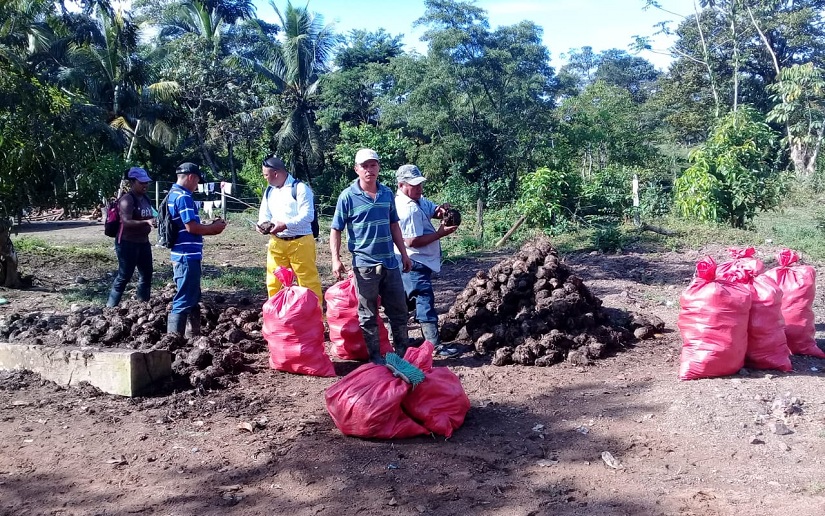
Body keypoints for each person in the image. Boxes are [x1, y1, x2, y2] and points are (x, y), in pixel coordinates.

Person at [330, 148, 412, 364]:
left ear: (378, 167)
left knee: (399, 310)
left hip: (390, 262)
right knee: (367, 313)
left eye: (373, 165)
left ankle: (403, 353)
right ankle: (375, 357)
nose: (369, 170)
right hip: (365, 265)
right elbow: (336, 229)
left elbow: (394, 224)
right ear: (356, 169)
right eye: (364, 166)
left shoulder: (386, 194)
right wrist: (335, 259)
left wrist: (404, 254)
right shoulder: (347, 196)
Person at [393, 164, 461, 357]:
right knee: (424, 298)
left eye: (420, 184)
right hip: (413, 260)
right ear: (401, 185)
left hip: (417, 261)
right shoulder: (406, 209)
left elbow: (432, 209)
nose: (419, 189)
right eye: (414, 186)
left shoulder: (417, 199)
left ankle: (400, 340)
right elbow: (411, 241)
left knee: (405, 301)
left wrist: (443, 212)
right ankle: (433, 344)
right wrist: (440, 234)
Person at [166, 162, 227, 336]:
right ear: (192, 177)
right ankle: (173, 339)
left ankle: (192, 335)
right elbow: (191, 227)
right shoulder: (183, 197)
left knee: (191, 295)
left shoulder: (173, 194)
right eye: (197, 181)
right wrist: (213, 229)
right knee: (185, 296)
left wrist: (209, 226)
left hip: (182, 253)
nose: (197, 186)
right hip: (187, 255)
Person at [256, 156, 322, 305]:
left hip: (301, 242)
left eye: (266, 175)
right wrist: (260, 225)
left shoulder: (300, 189)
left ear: (276, 174)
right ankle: (277, 316)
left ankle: (314, 315)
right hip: (277, 242)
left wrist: (285, 224)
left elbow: (308, 215)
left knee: (307, 280)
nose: (265, 178)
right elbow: (264, 214)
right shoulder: (269, 191)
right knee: (274, 281)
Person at [106, 167, 156, 307]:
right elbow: (126, 222)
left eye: (146, 182)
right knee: (124, 276)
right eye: (141, 182)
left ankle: (142, 305)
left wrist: (153, 220)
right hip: (127, 243)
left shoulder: (146, 198)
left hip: (143, 243)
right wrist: (146, 222)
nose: (145, 185)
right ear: (132, 182)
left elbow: (151, 215)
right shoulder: (127, 200)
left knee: (147, 274)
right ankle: (110, 306)